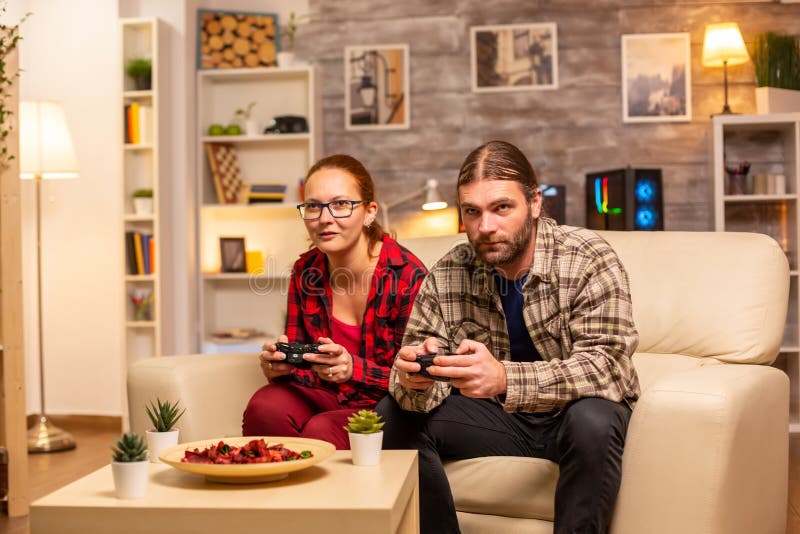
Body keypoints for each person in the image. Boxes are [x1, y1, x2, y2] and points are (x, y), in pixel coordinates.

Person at [376, 140, 641, 534]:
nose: (485, 227)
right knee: (390, 415)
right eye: (472, 211)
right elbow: (413, 379)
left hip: (573, 415)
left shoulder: (587, 256)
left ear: (534, 203)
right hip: (502, 421)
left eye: (501, 207)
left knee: (593, 419)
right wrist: (415, 379)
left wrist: (504, 378)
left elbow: (608, 367)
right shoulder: (449, 271)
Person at [243, 154, 428, 450]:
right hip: (327, 395)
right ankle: (274, 480)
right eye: (313, 206)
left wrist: (353, 368)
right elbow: (301, 364)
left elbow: (420, 381)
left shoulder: (407, 276)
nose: (324, 218)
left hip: (389, 405)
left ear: (369, 212)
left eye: (340, 204)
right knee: (265, 407)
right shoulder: (305, 271)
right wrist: (280, 365)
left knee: (321, 430)